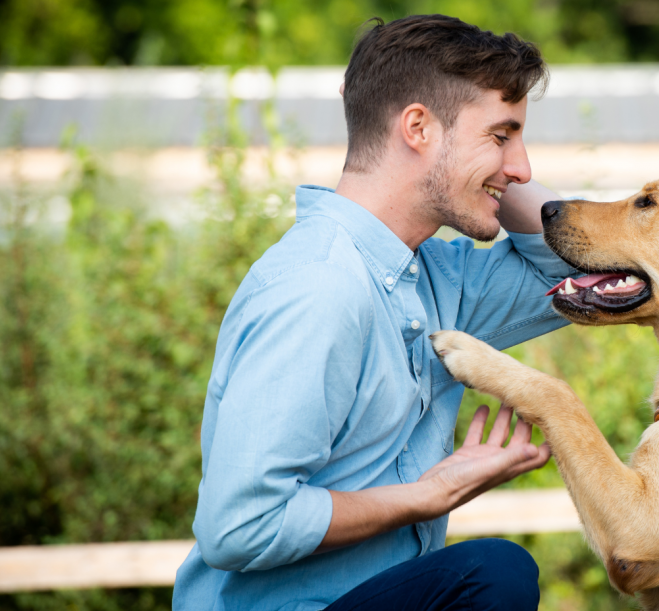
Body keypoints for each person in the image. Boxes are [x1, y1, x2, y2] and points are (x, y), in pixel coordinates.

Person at [172, 14, 576, 611]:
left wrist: (483, 169)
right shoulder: (318, 287)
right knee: (494, 573)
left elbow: (579, 267)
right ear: (417, 126)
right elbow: (238, 527)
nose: (523, 167)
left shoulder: (439, 278)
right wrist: (427, 494)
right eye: (501, 135)